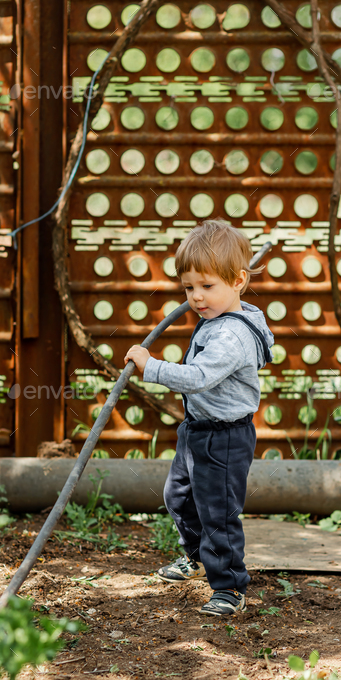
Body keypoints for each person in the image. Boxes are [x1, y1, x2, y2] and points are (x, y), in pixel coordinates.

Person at [125, 220, 274, 616]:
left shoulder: (232, 336)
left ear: (239, 280)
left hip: (224, 438)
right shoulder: (220, 316)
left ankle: (229, 587)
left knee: (218, 515)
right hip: (197, 430)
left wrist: (150, 365)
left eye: (207, 287)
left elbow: (199, 378)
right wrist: (213, 294)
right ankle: (197, 558)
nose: (196, 297)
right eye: (189, 288)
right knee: (178, 498)